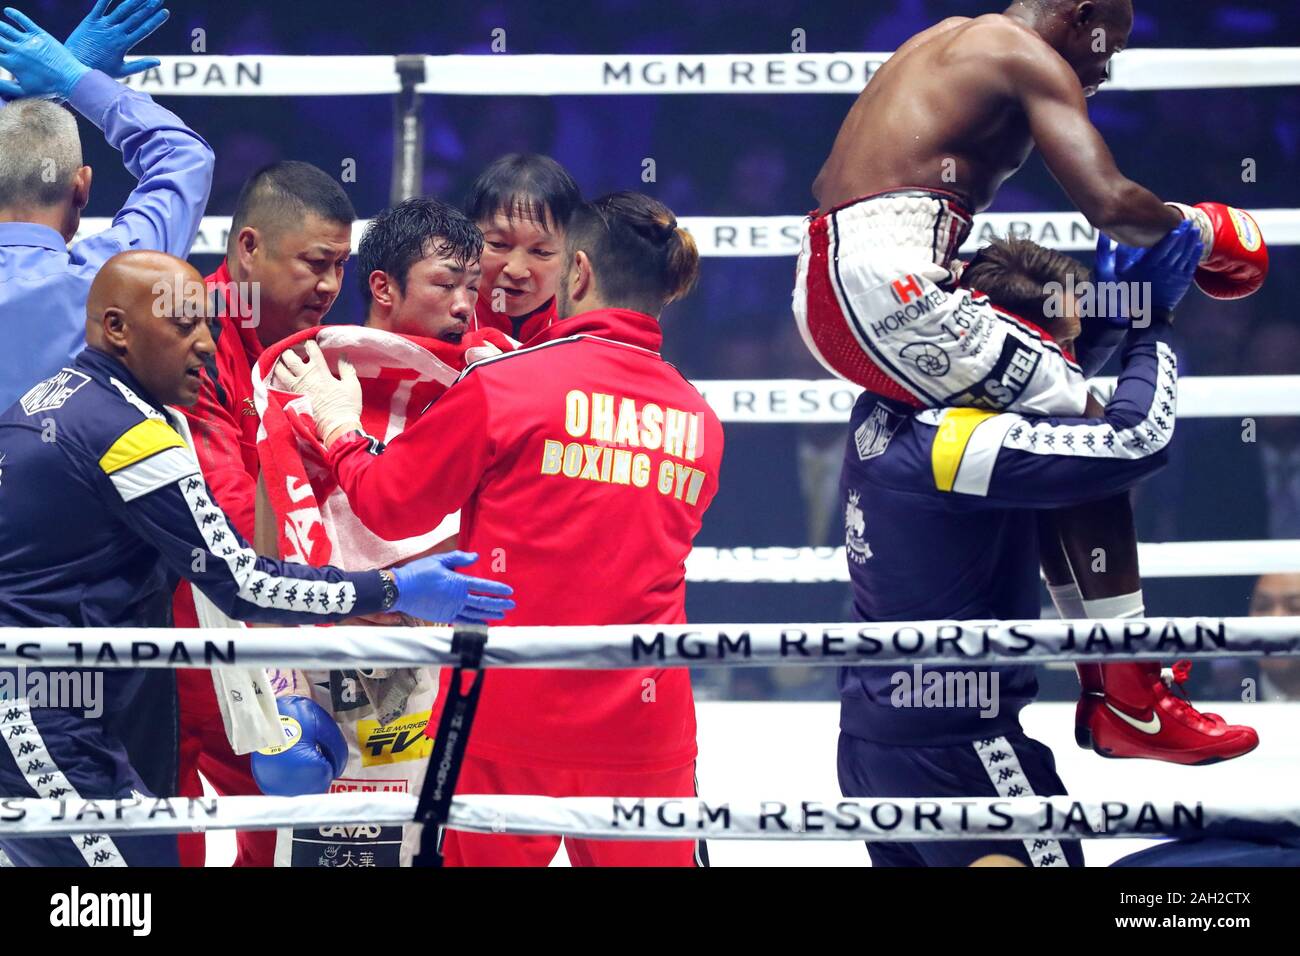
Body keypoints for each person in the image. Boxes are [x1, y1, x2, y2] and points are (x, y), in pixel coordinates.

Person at [0, 250, 513, 867]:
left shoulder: (54, 402)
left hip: (71, 706)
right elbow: (240, 580)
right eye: (182, 324)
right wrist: (391, 589)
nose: (203, 346)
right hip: (43, 713)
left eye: (208, 326)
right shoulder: (125, 434)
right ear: (117, 329)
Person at [278, 192, 723, 867]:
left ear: (577, 274)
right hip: (645, 719)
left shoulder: (508, 385)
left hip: (508, 711)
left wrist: (340, 427)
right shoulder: (700, 421)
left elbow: (389, 505)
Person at [836, 227, 1202, 867]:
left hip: (873, 745)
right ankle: (1128, 687)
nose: (1065, 360)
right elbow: (1136, 436)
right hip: (962, 748)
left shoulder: (890, 400)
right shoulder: (961, 447)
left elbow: (1022, 382)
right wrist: (1155, 326)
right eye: (1059, 344)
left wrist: (1113, 315)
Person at [795, 0, 1267, 415]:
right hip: (886, 285)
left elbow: (823, 183)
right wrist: (1202, 231)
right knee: (1105, 440)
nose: (1106, 70)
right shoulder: (1029, 57)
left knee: (1053, 338)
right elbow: (1112, 205)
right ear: (1082, 17)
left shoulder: (941, 38)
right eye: (1111, 48)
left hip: (823, 283)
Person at [170, 160, 356, 866]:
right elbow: (241, 528)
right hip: (173, 642)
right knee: (164, 855)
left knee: (285, 846)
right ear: (249, 247)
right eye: (315, 263)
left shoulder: (320, 353)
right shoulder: (188, 340)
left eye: (341, 266)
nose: (330, 286)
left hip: (266, 641)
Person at [0, 1, 211, 407]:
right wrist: (75, 79)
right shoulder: (112, 283)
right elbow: (185, 158)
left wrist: (31, 102)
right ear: (83, 187)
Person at [464, 153, 582, 343]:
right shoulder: (434, 321)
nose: (516, 271)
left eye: (541, 252)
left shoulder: (582, 334)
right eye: (498, 244)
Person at [359, 197, 482, 342]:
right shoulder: (331, 361)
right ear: (384, 288)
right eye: (447, 284)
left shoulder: (487, 357)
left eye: (472, 288)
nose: (465, 307)